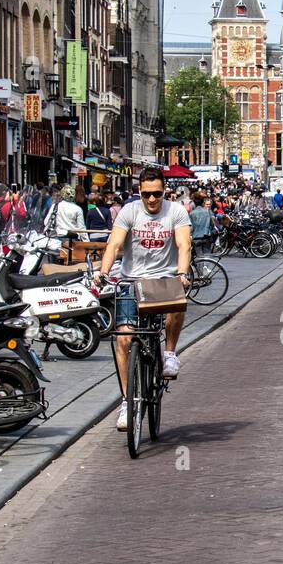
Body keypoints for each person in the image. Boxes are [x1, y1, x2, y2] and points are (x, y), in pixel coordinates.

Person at [97, 166, 193, 432]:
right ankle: (128, 402)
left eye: (157, 194)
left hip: (163, 279)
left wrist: (182, 273)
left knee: (178, 297)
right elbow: (114, 245)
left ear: (165, 192)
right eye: (147, 194)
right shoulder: (129, 212)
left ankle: (170, 353)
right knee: (124, 338)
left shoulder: (175, 212)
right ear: (139, 191)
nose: (152, 200)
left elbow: (184, 244)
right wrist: (103, 272)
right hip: (131, 280)